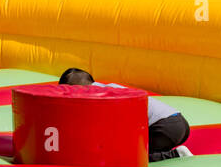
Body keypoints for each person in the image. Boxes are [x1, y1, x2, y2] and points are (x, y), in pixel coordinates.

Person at [58, 68, 193, 161]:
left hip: (165, 127)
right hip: (180, 123)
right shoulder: (110, 87)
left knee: (130, 158)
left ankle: (175, 154)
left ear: (75, 89)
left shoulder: (97, 95)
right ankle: (164, 151)